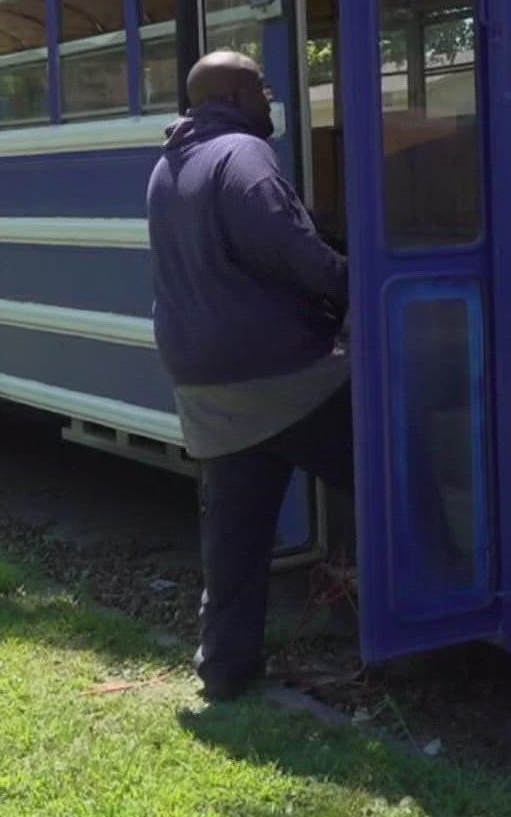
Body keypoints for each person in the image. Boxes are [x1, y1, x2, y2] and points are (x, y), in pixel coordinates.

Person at [145, 49, 354, 701]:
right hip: (283, 375)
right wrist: (364, 283)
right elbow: (293, 252)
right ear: (235, 95)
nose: (271, 98)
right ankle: (421, 629)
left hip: (205, 383)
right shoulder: (244, 154)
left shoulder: (168, 165)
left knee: (235, 539)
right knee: (396, 475)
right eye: (262, 87)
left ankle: (226, 667)